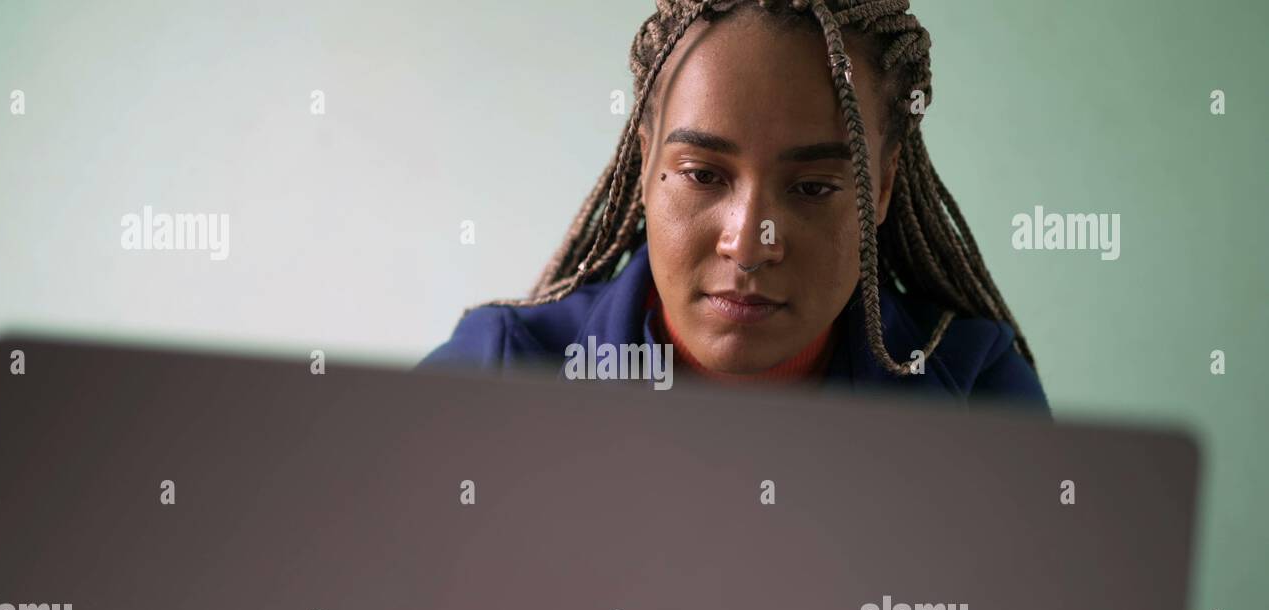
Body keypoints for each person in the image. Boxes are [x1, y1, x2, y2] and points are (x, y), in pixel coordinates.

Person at [421, 0, 1050, 415]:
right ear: (645, 166)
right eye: (702, 175)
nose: (749, 245)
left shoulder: (976, 392)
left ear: (879, 189)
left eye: (812, 188)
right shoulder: (497, 374)